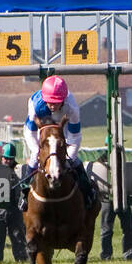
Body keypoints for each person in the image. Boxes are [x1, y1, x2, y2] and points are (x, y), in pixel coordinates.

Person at [18, 76, 96, 214]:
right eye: (49, 102)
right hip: (40, 128)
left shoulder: (72, 109)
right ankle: (23, 193)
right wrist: (39, 151)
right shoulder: (36, 105)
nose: (52, 106)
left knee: (74, 159)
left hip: (62, 127)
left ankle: (87, 192)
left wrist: (68, 158)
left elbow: (75, 137)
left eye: (56, 103)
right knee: (35, 154)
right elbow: (30, 133)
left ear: (63, 100)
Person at [0, 141, 27, 263]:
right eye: (5, 158)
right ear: (1, 157)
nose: (7, 161)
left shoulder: (17, 171)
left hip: (14, 209)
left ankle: (21, 258)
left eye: (10, 159)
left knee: (18, 236)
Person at [96, 151, 132, 260]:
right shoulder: (102, 160)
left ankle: (126, 254)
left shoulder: (121, 157)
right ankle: (106, 255)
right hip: (108, 198)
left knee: (126, 228)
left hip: (121, 197)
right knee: (108, 228)